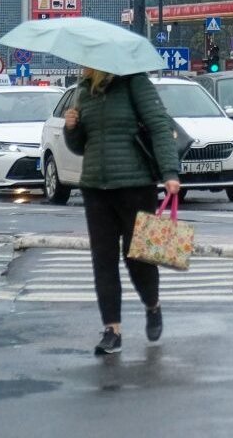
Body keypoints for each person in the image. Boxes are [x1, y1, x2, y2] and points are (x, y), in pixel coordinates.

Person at [62, 66, 182, 356]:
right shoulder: (84, 90)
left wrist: (170, 172)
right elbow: (80, 146)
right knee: (103, 259)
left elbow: (159, 126)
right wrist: (71, 128)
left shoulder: (135, 83)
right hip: (95, 186)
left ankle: (152, 305)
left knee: (137, 256)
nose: (83, 65)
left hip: (135, 185)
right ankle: (112, 330)